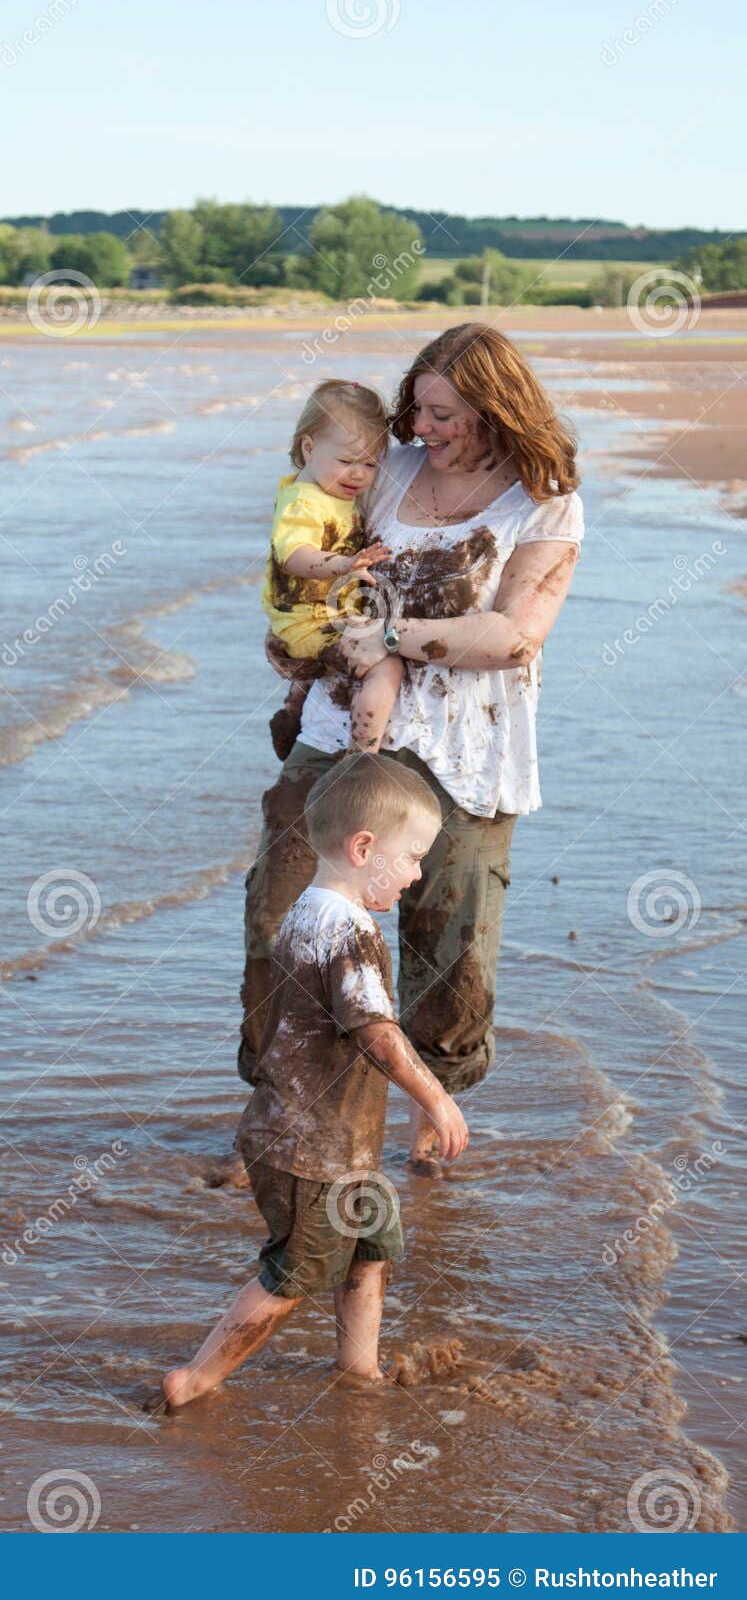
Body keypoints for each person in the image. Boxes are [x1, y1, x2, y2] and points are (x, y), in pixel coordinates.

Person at [244, 323, 584, 1175]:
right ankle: (289, 1110)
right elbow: (304, 551)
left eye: (442, 414)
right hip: (339, 729)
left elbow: (513, 636)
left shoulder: (544, 501)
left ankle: (434, 1115)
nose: (419, 430)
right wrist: (297, 644)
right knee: (282, 918)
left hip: (466, 745)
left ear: (496, 408)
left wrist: (392, 636)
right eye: (416, 409)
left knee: (447, 947)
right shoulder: (384, 470)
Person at [163, 755, 466, 1407]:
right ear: (363, 847)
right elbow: (377, 1036)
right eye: (411, 856)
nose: (416, 873)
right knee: (295, 1270)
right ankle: (194, 1379)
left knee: (370, 1244)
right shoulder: (348, 933)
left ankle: (358, 1368)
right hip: (307, 1147)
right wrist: (435, 1098)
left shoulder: (308, 908)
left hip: (335, 1142)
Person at [264, 380, 404, 757]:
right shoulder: (304, 503)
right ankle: (361, 755)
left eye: (371, 464)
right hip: (308, 619)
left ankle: (292, 713)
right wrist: (344, 564)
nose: (359, 475)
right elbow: (293, 555)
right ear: (308, 448)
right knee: (387, 667)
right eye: (347, 462)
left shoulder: (333, 493)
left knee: (313, 673)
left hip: (316, 614)